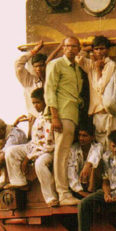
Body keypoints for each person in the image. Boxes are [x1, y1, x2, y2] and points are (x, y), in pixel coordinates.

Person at [45, 36, 84, 206]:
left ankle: (65, 191)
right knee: (61, 153)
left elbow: (72, 92)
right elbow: (50, 91)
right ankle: (63, 194)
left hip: (72, 114)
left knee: (66, 153)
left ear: (78, 49)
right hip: (62, 114)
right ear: (63, 48)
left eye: (75, 47)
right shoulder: (56, 64)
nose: (71, 49)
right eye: (68, 46)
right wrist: (55, 116)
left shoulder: (76, 68)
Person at [5, 88, 57, 205]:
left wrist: (28, 158)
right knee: (11, 151)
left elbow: (48, 145)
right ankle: (19, 181)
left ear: (45, 101)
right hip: (34, 147)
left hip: (47, 150)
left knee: (40, 164)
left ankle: (51, 198)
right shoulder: (38, 117)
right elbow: (34, 140)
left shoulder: (49, 118)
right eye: (33, 103)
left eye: (38, 102)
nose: (35, 106)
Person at [77, 35, 116, 146]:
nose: (99, 51)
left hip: (111, 114)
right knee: (99, 146)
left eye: (102, 48)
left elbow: (100, 87)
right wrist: (86, 49)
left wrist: (97, 70)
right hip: (98, 114)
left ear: (107, 50)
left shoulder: (111, 65)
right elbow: (77, 59)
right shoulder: (91, 65)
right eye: (96, 49)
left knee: (113, 145)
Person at [15, 40, 60, 120]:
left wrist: (60, 47)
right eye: (35, 66)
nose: (38, 69)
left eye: (41, 66)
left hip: (53, 119)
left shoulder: (54, 81)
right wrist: (34, 51)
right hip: (35, 119)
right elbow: (18, 64)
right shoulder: (29, 81)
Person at [0, 116, 29, 186]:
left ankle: (5, 181)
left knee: (0, 144)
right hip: (7, 171)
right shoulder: (5, 133)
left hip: (20, 166)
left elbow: (2, 158)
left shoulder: (14, 135)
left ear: (1, 130)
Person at [68, 123, 103, 198]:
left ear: (92, 137)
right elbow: (71, 171)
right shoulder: (73, 148)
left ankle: (91, 192)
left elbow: (95, 157)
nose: (81, 138)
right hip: (78, 187)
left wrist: (87, 165)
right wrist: (80, 191)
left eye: (84, 135)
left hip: (93, 185)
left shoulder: (98, 146)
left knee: (95, 167)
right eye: (79, 135)